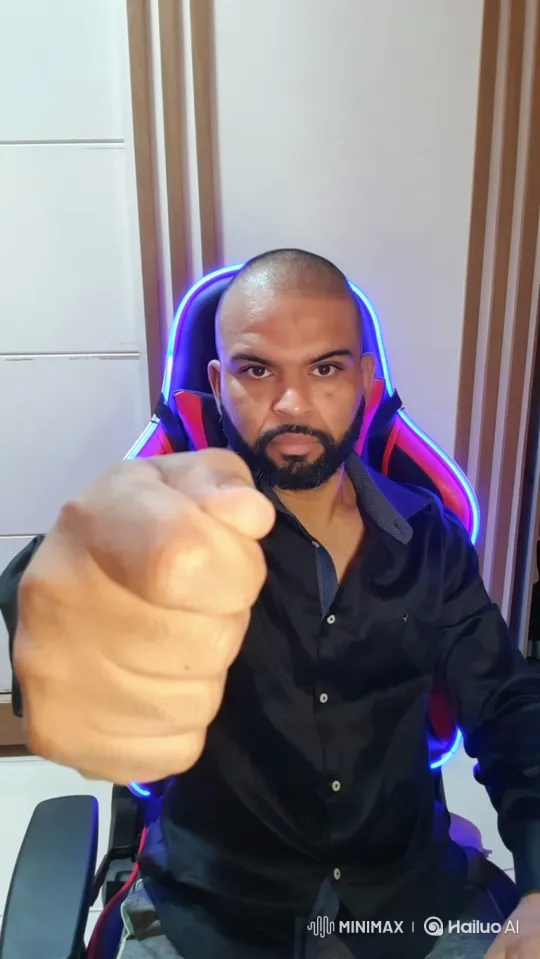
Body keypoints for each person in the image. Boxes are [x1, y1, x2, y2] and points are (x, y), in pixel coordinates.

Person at [1, 249, 540, 959]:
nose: (291, 404)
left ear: (365, 379)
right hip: (211, 915)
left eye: (325, 368)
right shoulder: (180, 540)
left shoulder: (431, 538)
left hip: (409, 905)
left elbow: (509, 709)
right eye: (258, 370)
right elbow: (85, 573)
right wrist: (46, 602)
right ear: (220, 382)